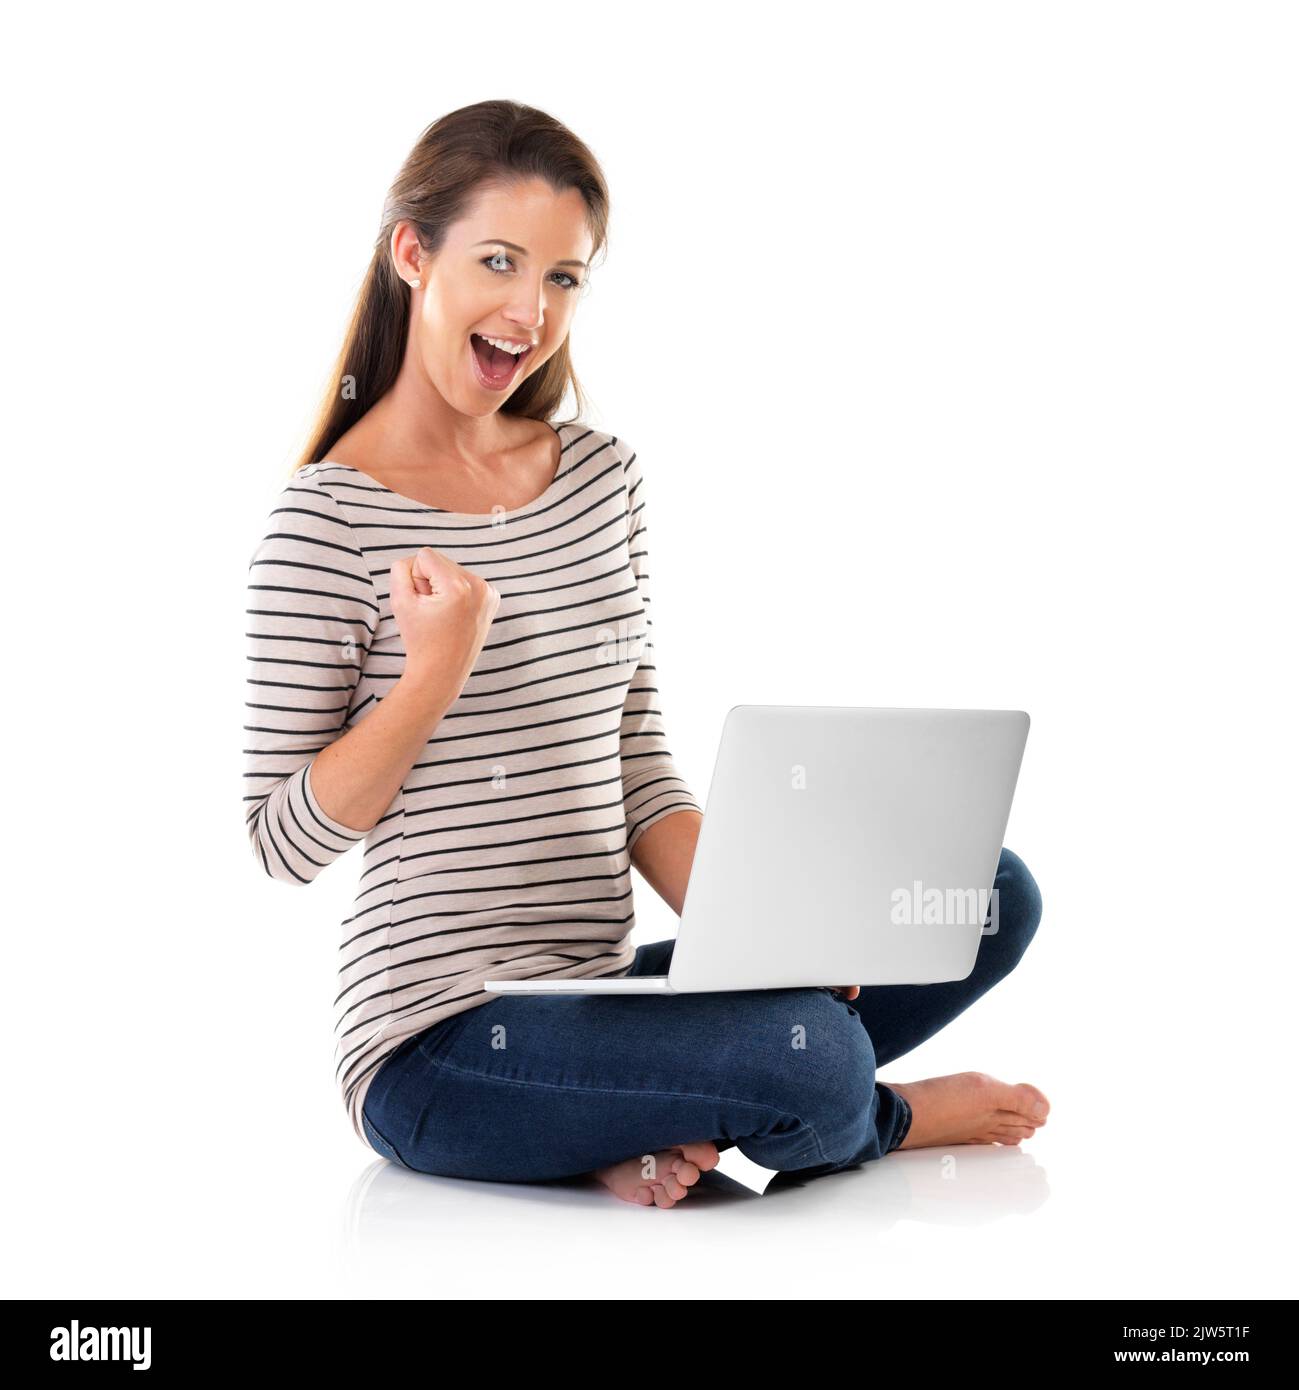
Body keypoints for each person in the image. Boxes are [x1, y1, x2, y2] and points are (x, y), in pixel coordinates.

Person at [243, 100, 1049, 1208]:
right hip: (435, 1043)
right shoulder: (321, 523)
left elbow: (636, 770)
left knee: (982, 896)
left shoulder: (600, 474)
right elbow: (280, 842)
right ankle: (881, 1114)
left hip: (601, 995)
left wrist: (770, 934)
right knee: (801, 1054)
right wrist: (434, 672)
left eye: (565, 277)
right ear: (411, 254)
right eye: (499, 261)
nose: (531, 311)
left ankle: (637, 1118)